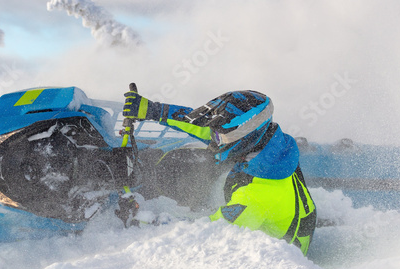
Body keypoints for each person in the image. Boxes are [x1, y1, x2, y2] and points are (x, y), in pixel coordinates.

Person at [122, 89, 316, 255]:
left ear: (245, 138)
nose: (214, 140)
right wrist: (155, 111)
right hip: (284, 214)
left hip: (278, 255)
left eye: (219, 136)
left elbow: (205, 232)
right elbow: (203, 128)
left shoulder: (255, 196)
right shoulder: (269, 143)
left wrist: (146, 220)